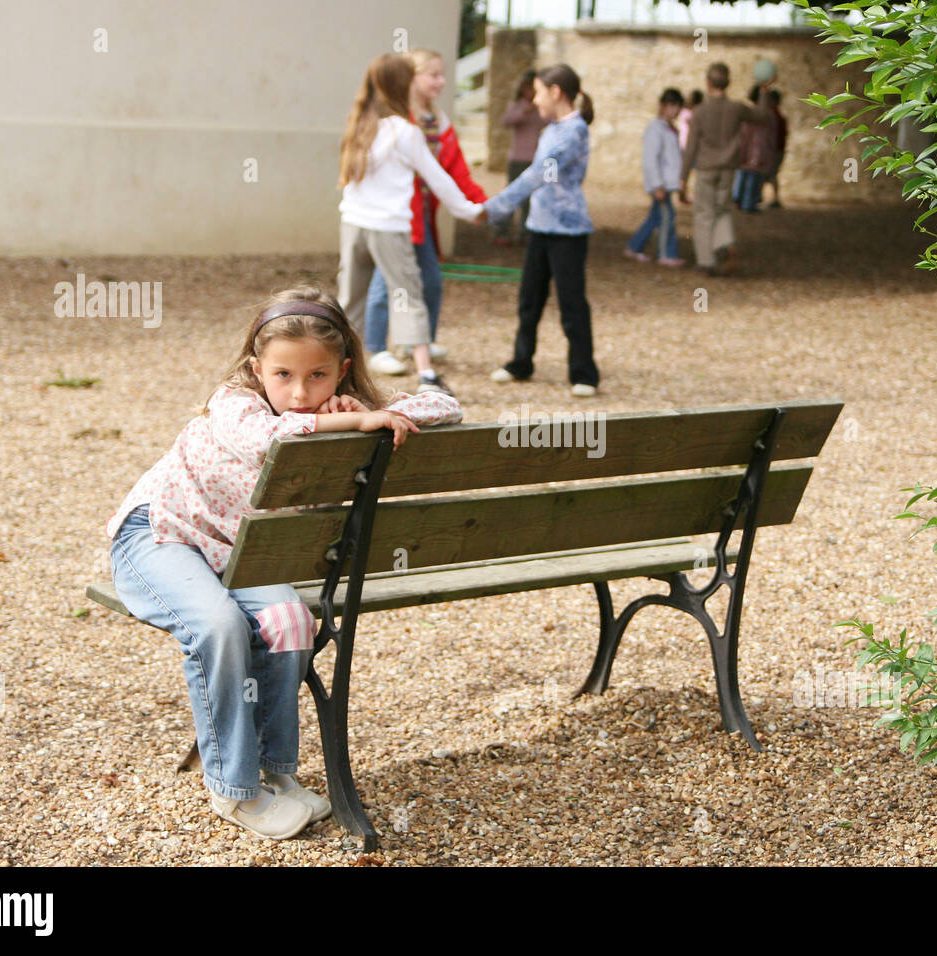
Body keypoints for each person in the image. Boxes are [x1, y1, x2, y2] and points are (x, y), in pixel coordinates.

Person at [106, 288, 462, 840]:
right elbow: (258, 439)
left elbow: (446, 406)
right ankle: (234, 788)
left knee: (290, 622)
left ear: (343, 371)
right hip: (160, 534)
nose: (299, 393)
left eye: (319, 376)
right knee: (217, 624)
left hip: (239, 552)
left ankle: (276, 770)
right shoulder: (234, 401)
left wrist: (370, 412)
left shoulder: (346, 405)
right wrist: (343, 424)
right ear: (256, 369)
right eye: (283, 375)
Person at [338, 53, 485, 396]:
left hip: (353, 223)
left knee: (350, 299)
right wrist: (470, 210)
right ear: (402, 86)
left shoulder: (360, 123)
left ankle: (336, 374)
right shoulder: (406, 132)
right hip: (390, 227)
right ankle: (427, 376)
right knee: (408, 296)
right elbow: (440, 180)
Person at [484, 64, 600, 398]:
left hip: (568, 231)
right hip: (539, 226)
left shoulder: (574, 131)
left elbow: (539, 174)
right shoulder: (551, 129)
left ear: (555, 92)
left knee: (571, 303)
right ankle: (521, 362)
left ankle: (584, 373)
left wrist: (497, 206)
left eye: (537, 92)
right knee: (529, 299)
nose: (534, 100)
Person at [678, 62, 775, 277]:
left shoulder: (700, 112)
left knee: (704, 214)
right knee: (722, 210)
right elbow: (763, 116)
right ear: (729, 83)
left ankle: (706, 262)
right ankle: (727, 244)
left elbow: (691, 147)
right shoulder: (736, 108)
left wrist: (683, 179)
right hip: (729, 168)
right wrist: (764, 90)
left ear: (707, 82)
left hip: (706, 168)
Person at [623, 87, 684, 266]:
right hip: (661, 183)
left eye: (677, 106)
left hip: (667, 182)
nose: (675, 110)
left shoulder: (669, 129)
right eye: (671, 105)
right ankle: (667, 253)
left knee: (655, 217)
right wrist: (657, 185)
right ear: (662, 106)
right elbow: (650, 159)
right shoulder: (655, 129)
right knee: (667, 218)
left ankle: (634, 247)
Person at [494, 69, 548, 246]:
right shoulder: (517, 105)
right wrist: (526, 110)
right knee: (512, 195)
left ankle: (525, 233)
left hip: (536, 159)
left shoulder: (542, 109)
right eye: (529, 89)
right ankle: (501, 231)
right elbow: (506, 121)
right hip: (518, 158)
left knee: (530, 199)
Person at [731, 84, 777, 213]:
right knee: (753, 177)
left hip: (748, 150)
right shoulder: (767, 116)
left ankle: (739, 198)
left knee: (745, 175)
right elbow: (770, 136)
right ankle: (748, 202)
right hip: (758, 150)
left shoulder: (748, 113)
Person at [763, 88, 788, 208]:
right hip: (777, 149)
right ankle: (773, 197)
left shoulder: (773, 116)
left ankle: (774, 198)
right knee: (771, 174)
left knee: (770, 174)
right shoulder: (778, 116)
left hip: (773, 150)